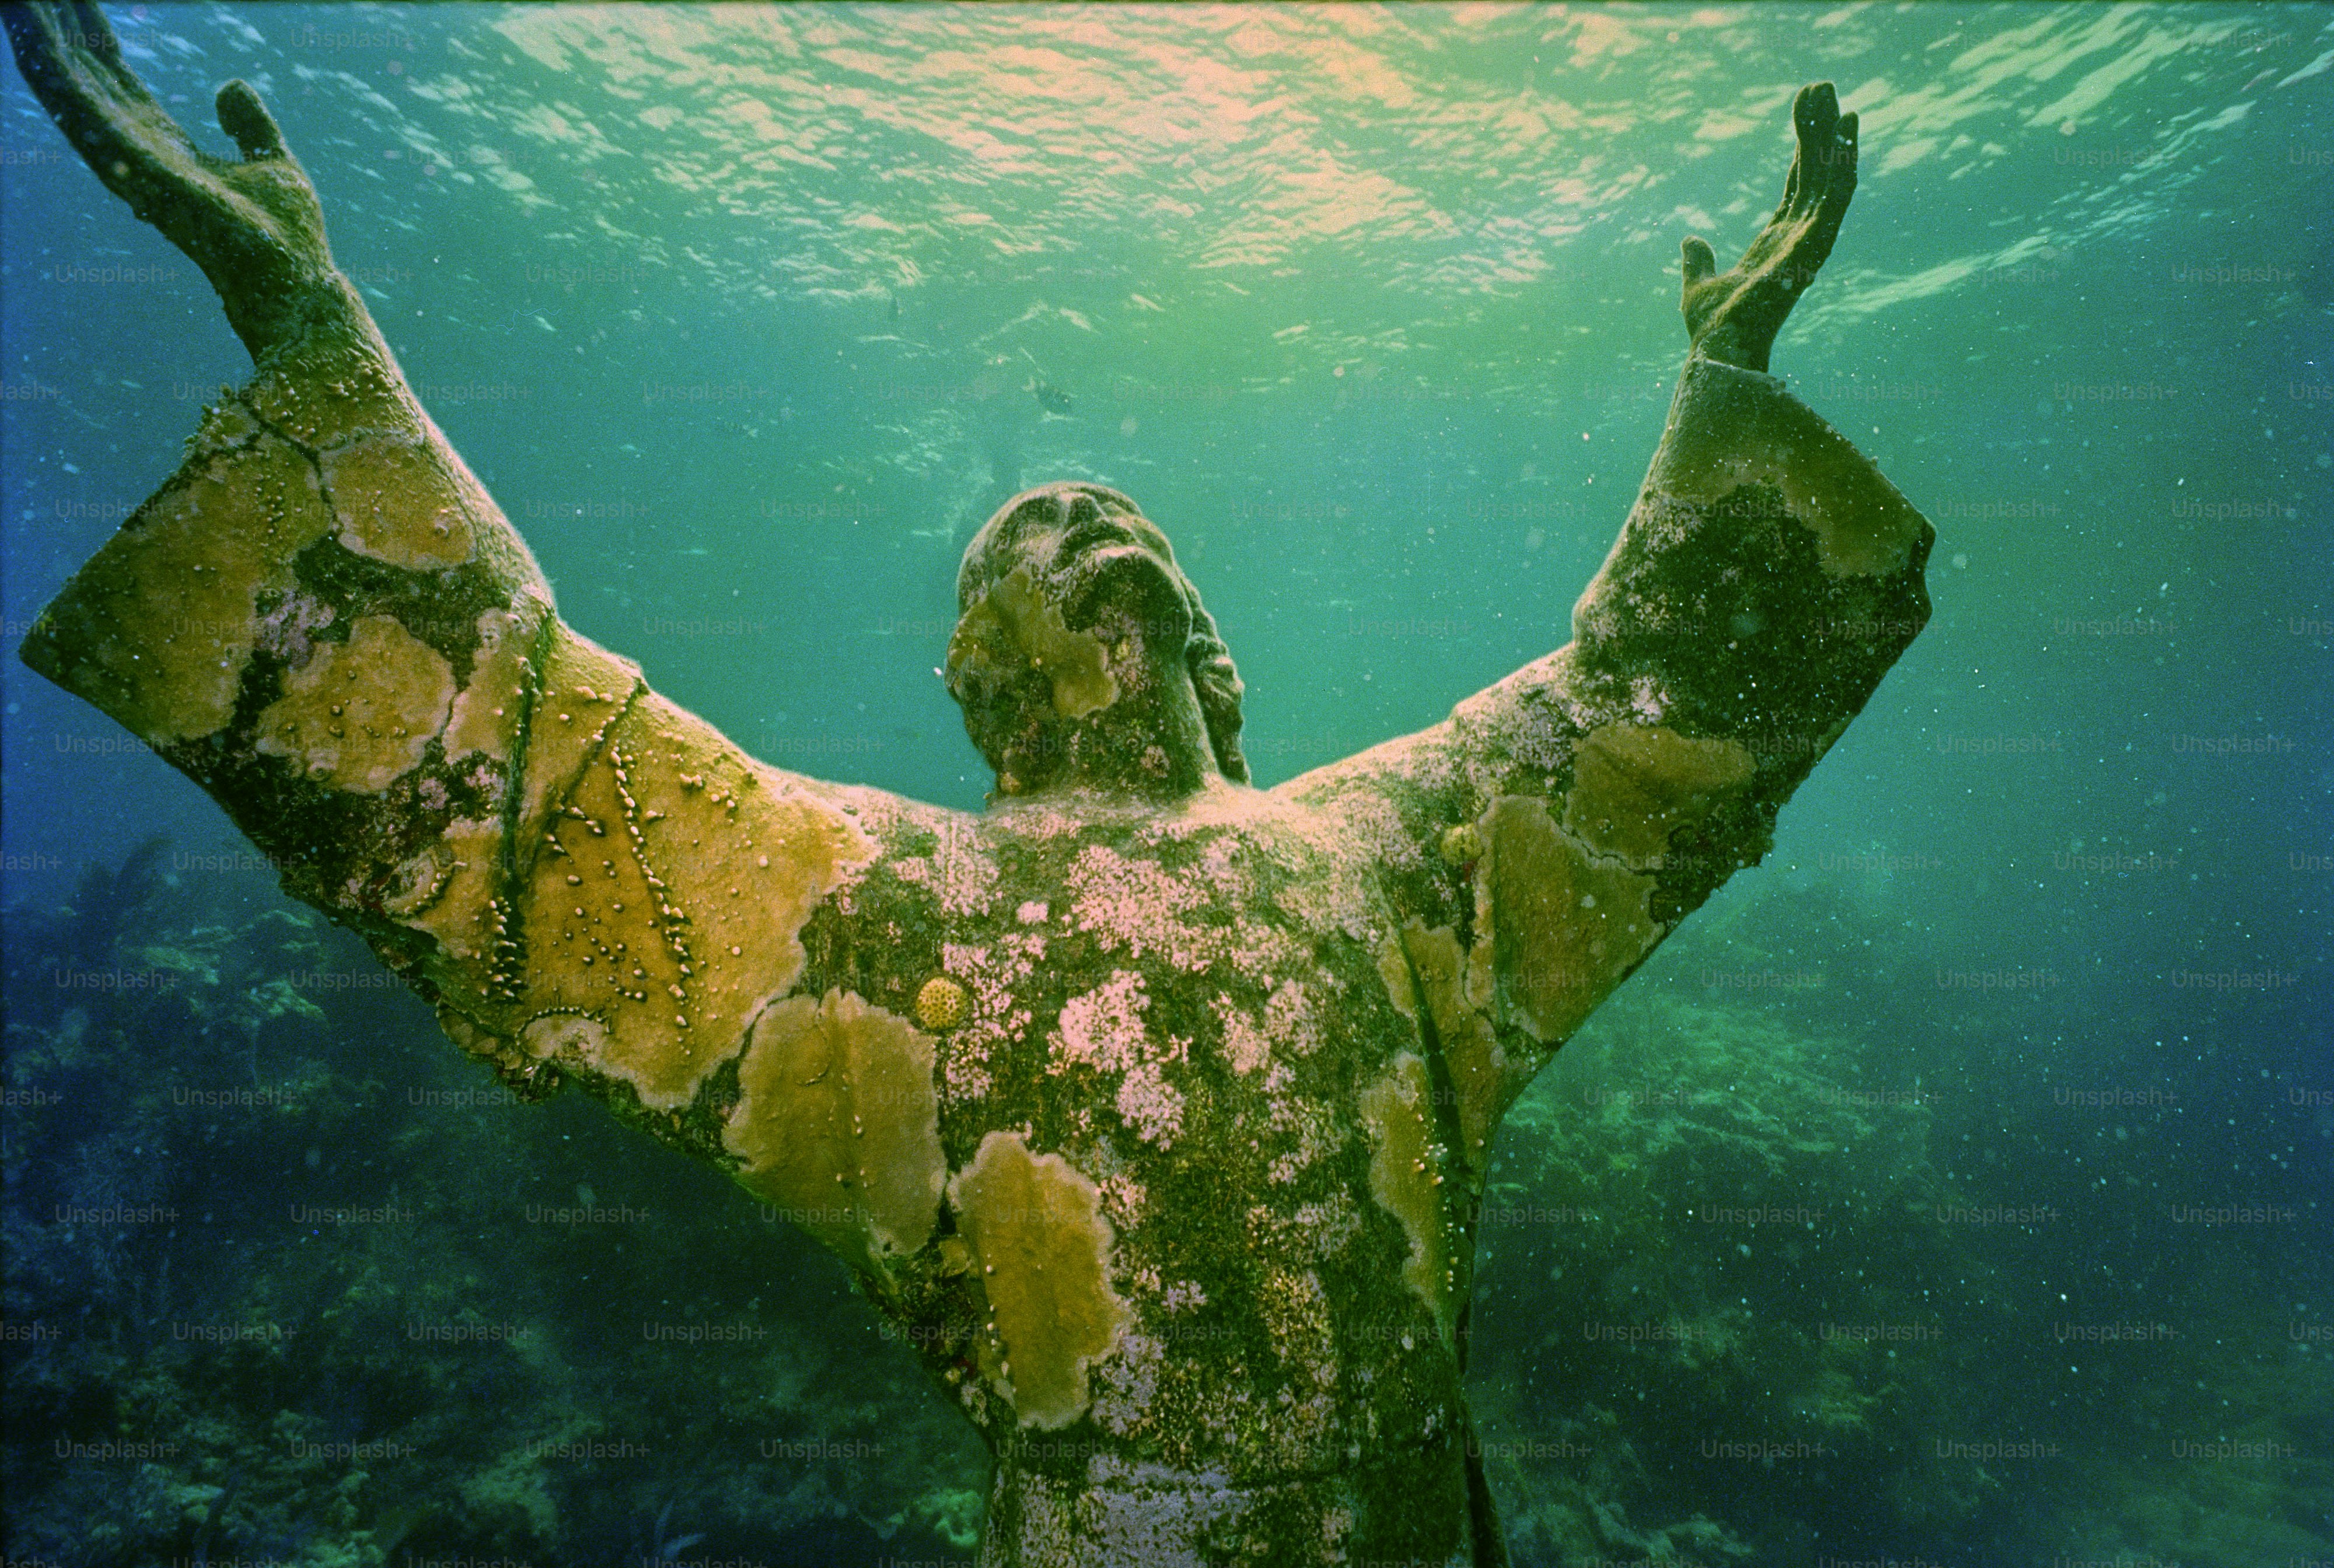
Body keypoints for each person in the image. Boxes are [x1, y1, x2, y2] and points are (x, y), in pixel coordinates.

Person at [6, 6, 1931, 1564]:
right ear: (977, 687)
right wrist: (311, 335)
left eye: (1109, 525)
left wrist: (1729, 382)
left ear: (1202, 644)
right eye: (1030, 538)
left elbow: (1651, 703)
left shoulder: (1402, 847)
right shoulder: (867, 900)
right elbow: (522, 759)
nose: (1076, 522)